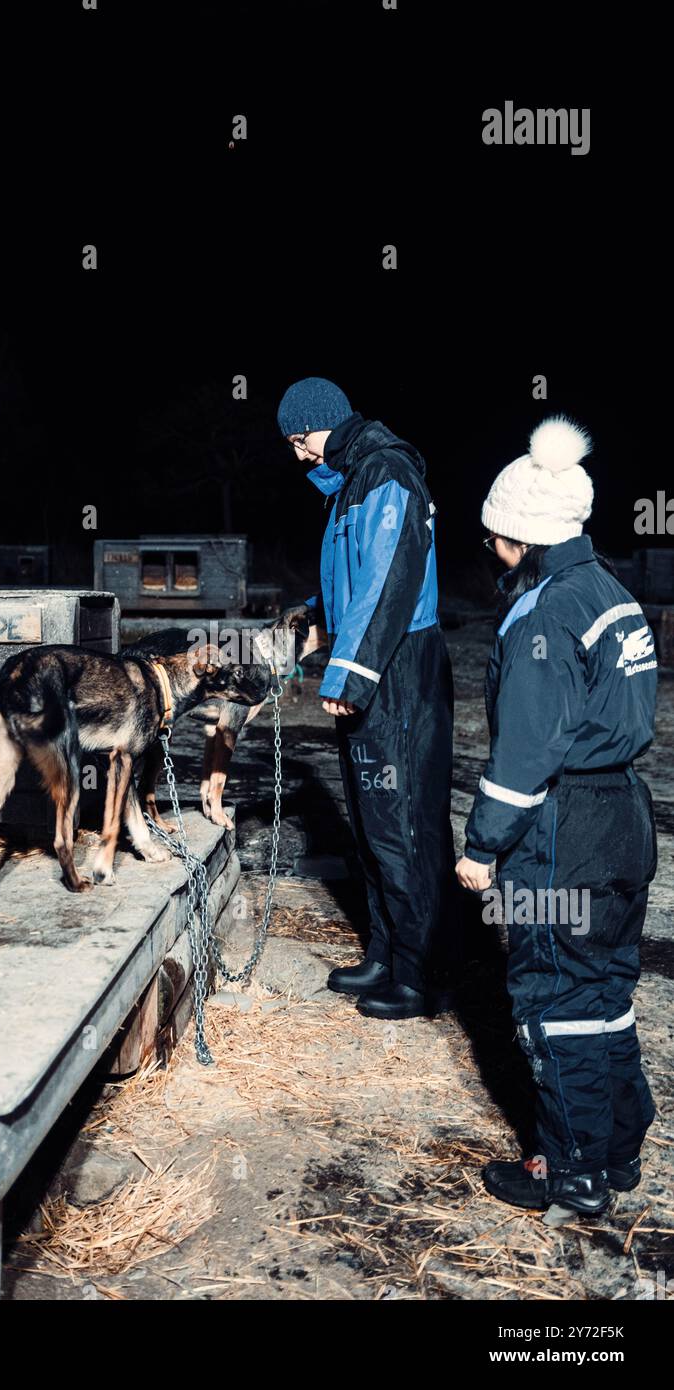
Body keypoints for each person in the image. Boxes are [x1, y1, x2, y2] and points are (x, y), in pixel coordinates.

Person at [456, 415, 658, 1215]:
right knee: (605, 982)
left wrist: (482, 846)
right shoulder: (611, 592)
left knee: (552, 996)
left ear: (520, 538)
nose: (491, 551)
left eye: (495, 538)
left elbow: (528, 752)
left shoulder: (542, 612)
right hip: (624, 820)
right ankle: (616, 1149)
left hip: (562, 827)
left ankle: (569, 1171)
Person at [277, 376, 455, 1020]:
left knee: (404, 821)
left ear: (324, 422)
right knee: (375, 820)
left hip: (399, 665)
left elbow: (388, 581)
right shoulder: (350, 482)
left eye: (299, 439)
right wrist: (310, 618)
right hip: (378, 660)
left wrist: (350, 675)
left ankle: (421, 972)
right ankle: (387, 951)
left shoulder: (387, 473)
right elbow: (349, 580)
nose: (297, 454)